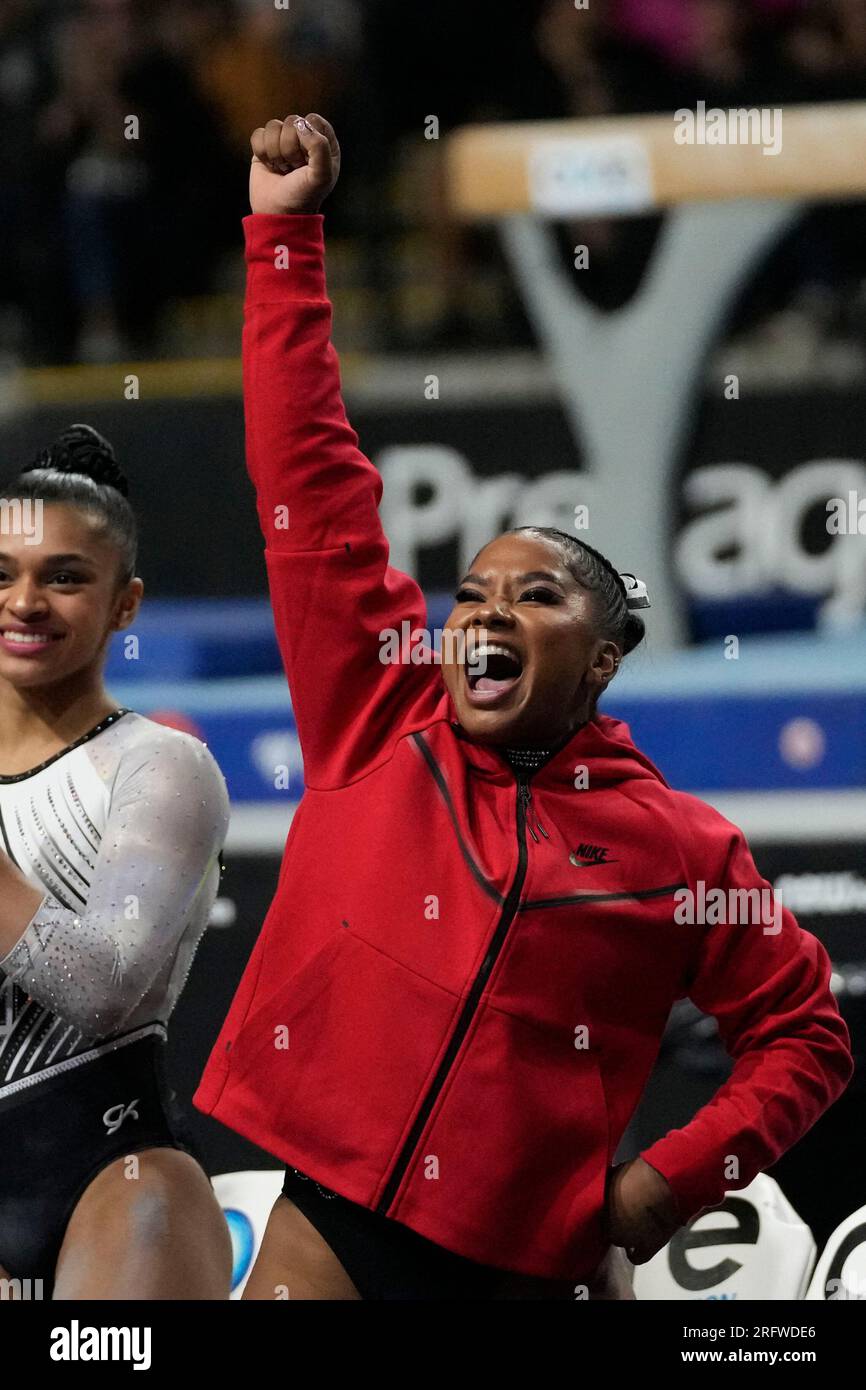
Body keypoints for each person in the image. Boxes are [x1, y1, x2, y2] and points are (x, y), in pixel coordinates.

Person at [194, 114, 854, 1301]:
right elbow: (306, 466)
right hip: (326, 1227)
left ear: (602, 660)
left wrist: (665, 1186)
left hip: (527, 1268)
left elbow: (807, 1035)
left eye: (534, 597)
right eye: (471, 592)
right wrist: (283, 235)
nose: (484, 615)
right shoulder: (376, 711)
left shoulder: (678, 848)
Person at [0, 424, 231, 1299]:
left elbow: (104, 987)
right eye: (2, 575)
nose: (26, 602)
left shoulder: (156, 764)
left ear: (124, 604)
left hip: (112, 1175)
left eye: (64, 578)